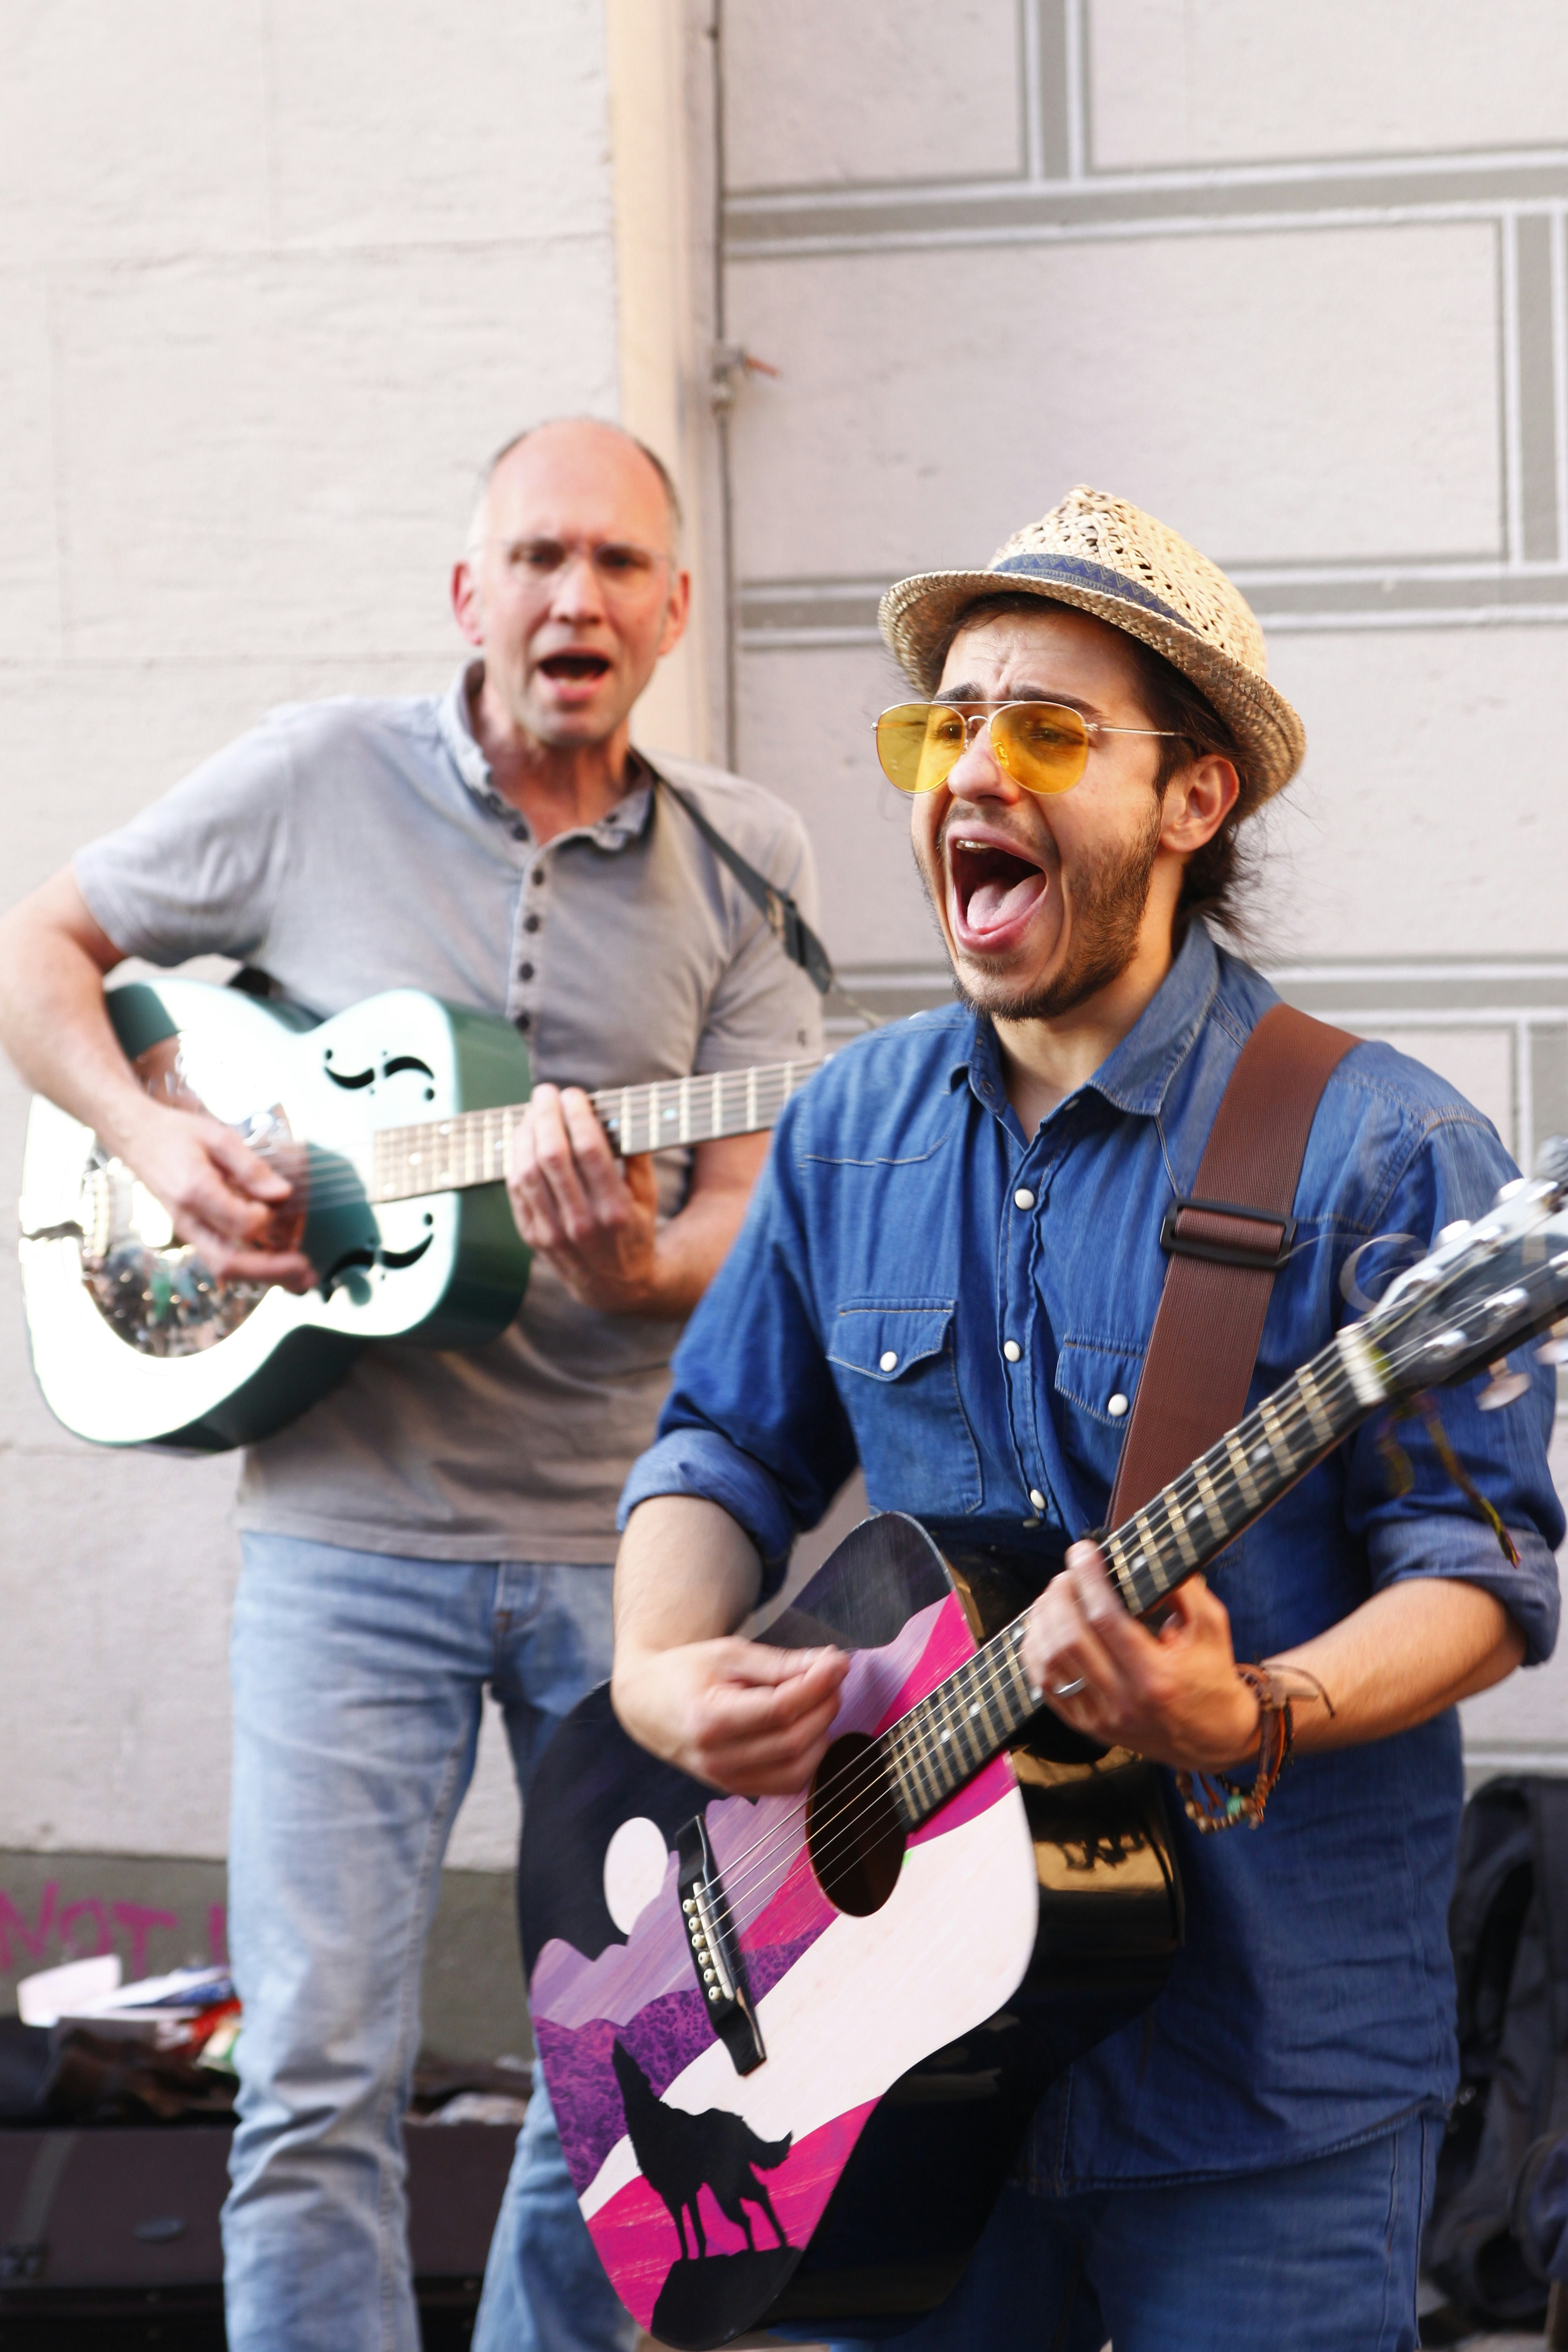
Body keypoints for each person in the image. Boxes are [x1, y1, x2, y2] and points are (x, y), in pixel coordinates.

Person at [607, 485, 1563, 2352]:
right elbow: (720, 1448)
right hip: (894, 2073)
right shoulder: (847, 1125)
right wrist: (656, 1673)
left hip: (1263, 2087)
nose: (974, 765)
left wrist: (1251, 1706)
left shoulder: (1382, 1153)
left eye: (1043, 728)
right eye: (945, 724)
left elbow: (1482, 1573)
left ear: (1194, 799)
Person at [0, 417, 822, 2352]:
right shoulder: (311, 780)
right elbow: (39, 948)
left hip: (634, 1547)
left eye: (622, 567)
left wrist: (645, 1264)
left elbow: (756, 1196)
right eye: (541, 557)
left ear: (674, 612)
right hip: (343, 1533)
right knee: (312, 2080)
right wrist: (156, 1133)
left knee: (634, 2063)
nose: (578, 597)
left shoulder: (743, 860)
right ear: (471, 595)